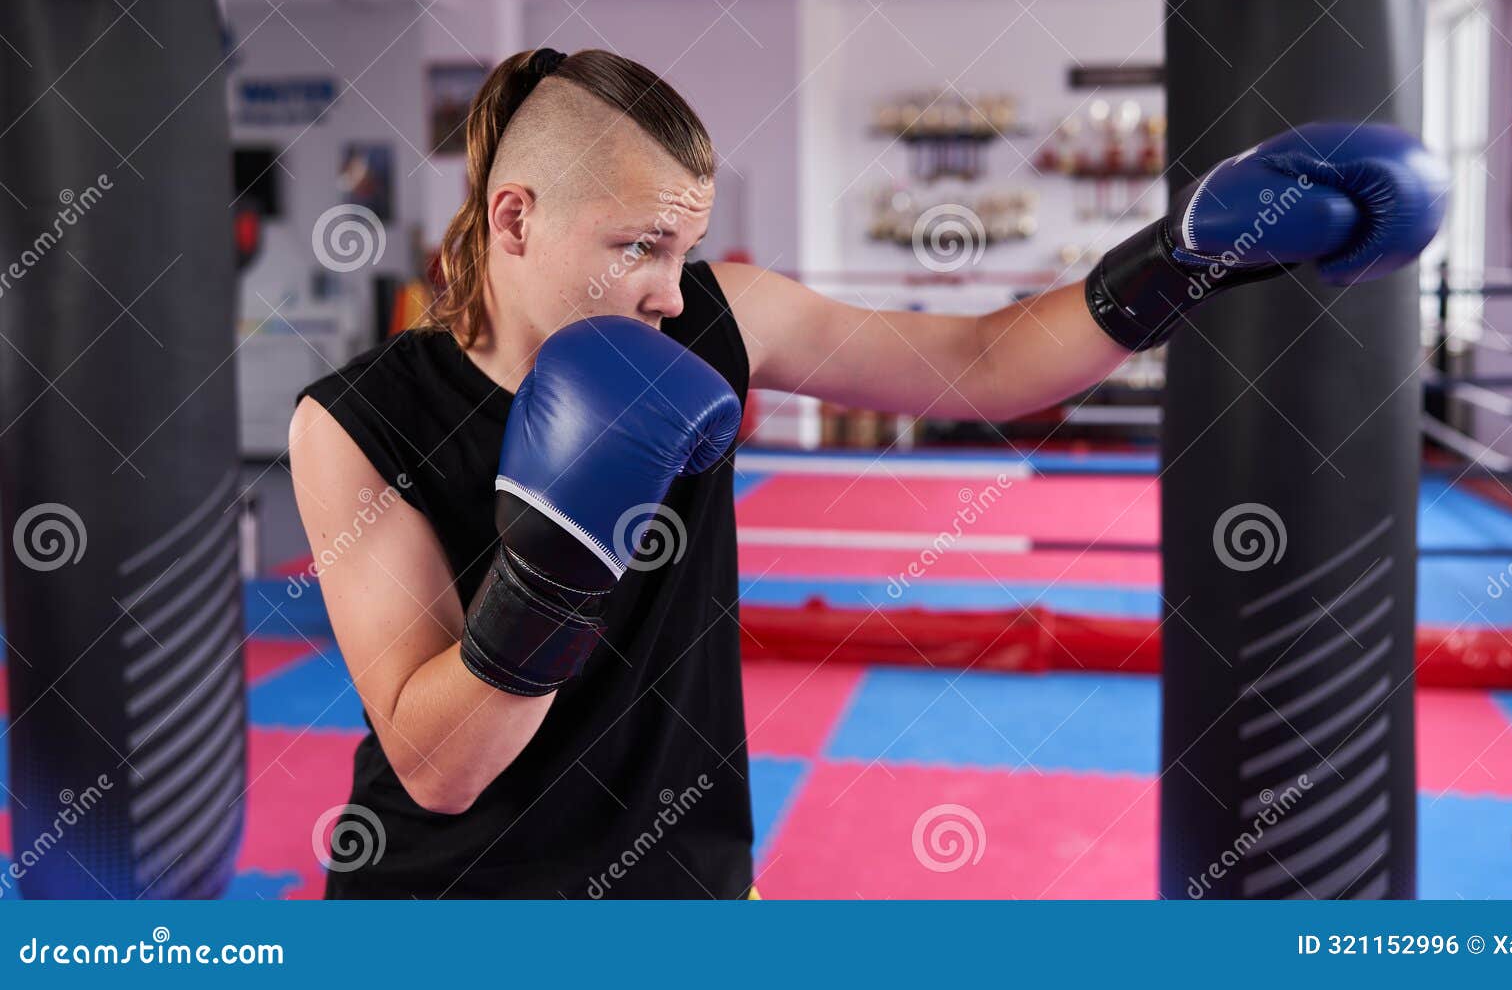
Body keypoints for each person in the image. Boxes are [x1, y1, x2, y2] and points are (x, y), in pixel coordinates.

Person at [289, 47, 1448, 898]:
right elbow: (438, 769)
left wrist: (1182, 259)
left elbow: (982, 360)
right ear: (514, 218)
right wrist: (556, 556)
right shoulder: (357, 422)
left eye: (683, 248)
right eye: (639, 244)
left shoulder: (713, 317)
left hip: (683, 879)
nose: (665, 287)